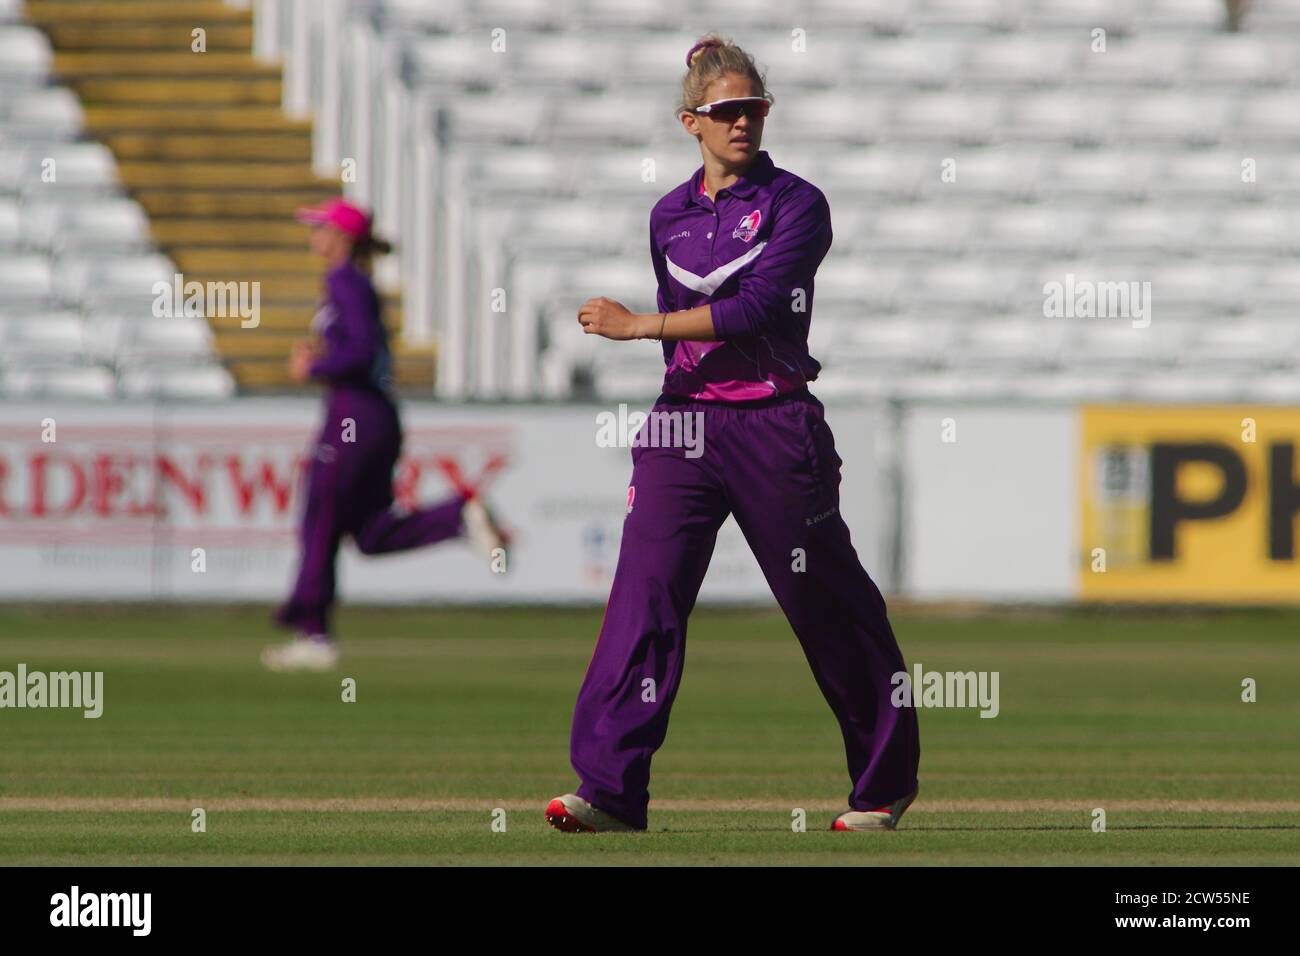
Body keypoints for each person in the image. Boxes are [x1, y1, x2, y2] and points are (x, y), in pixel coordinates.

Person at [545, 36, 920, 832]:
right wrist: (656, 340)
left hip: (773, 423)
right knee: (643, 598)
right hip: (682, 422)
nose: (743, 122)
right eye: (726, 112)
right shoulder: (668, 215)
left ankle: (882, 785)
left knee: (823, 599)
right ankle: (610, 789)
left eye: (754, 108)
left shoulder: (797, 203)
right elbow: (692, 337)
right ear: (692, 122)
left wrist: (639, 325)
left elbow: (755, 309)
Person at [262, 198, 507, 672]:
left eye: (320, 228)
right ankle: (458, 516)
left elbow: (359, 353)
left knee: (321, 517)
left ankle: (312, 634)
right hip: (371, 418)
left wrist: (315, 364)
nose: (313, 236)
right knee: (369, 533)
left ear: (341, 237)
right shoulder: (352, 284)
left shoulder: (345, 282)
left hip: (356, 417)